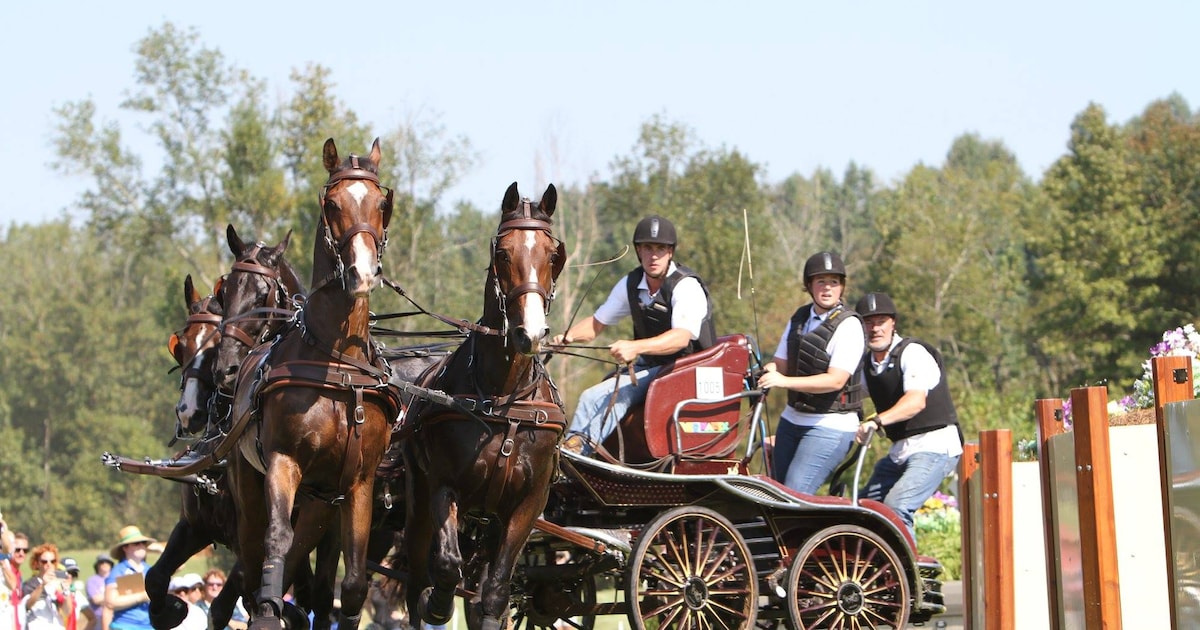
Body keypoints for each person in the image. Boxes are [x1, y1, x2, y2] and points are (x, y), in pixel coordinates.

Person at [554, 215, 716, 455]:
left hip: (686, 370)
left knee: (593, 397)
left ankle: (576, 456)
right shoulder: (631, 283)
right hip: (653, 366)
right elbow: (597, 325)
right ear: (639, 251)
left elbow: (681, 337)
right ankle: (577, 454)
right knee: (600, 388)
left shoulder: (686, 286)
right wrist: (566, 337)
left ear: (670, 252)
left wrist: (635, 347)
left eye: (660, 248)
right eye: (647, 248)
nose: (653, 255)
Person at [854, 292, 964, 538]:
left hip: (934, 446)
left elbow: (915, 402)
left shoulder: (912, 353)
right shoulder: (868, 366)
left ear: (893, 323)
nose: (875, 328)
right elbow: (845, 397)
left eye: (881, 321)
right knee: (859, 508)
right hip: (900, 451)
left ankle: (909, 573)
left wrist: (876, 420)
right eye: (868, 322)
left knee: (897, 506)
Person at [758, 251, 865, 494]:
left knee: (795, 492)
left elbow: (835, 380)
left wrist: (783, 382)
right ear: (809, 286)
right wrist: (764, 372)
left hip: (831, 424)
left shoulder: (849, 325)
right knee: (773, 492)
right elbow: (780, 364)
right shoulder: (799, 318)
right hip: (792, 419)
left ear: (842, 287)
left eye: (834, 282)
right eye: (821, 282)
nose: (827, 288)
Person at [103, 527, 155, 630]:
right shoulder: (118, 571)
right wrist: (142, 596)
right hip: (125, 626)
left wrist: (160, 550)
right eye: (136, 543)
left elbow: (177, 567)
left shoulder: (149, 569)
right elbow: (110, 602)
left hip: (149, 626)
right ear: (125, 548)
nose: (141, 546)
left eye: (143, 543)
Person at [83, 556, 112, 630]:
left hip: (115, 616)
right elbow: (95, 599)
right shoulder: (92, 580)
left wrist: (103, 598)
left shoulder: (115, 578)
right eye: (102, 562)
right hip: (99, 617)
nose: (105, 564)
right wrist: (114, 597)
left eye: (107, 562)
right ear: (97, 565)